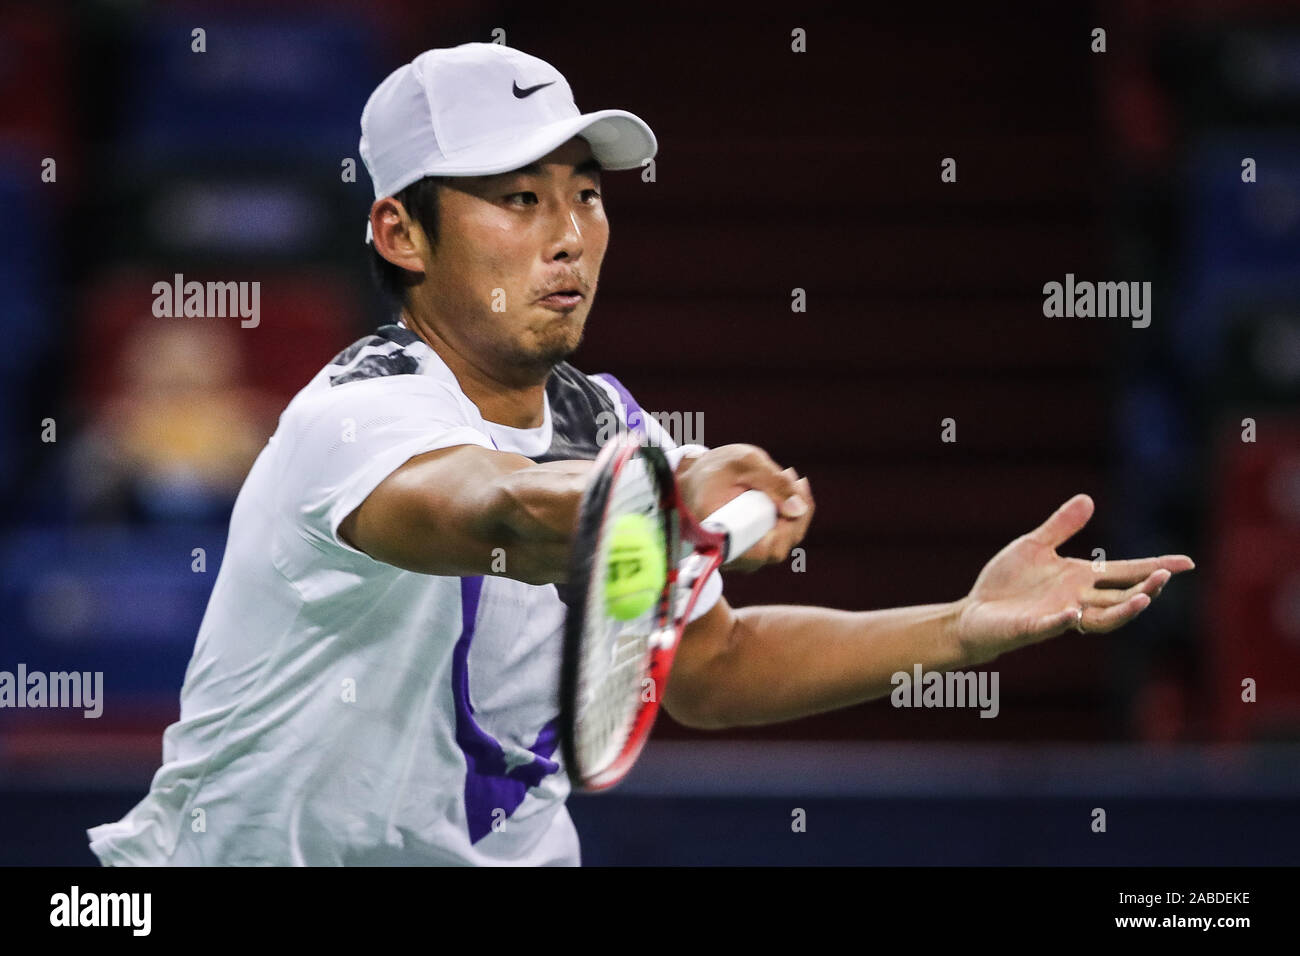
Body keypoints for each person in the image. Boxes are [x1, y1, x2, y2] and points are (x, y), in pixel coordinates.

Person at [87, 42, 1192, 866]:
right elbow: (491, 508)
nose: (568, 233)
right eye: (519, 199)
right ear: (400, 234)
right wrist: (660, 493)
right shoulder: (357, 412)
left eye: (587, 196)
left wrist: (957, 625)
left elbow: (705, 664)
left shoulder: (612, 424)